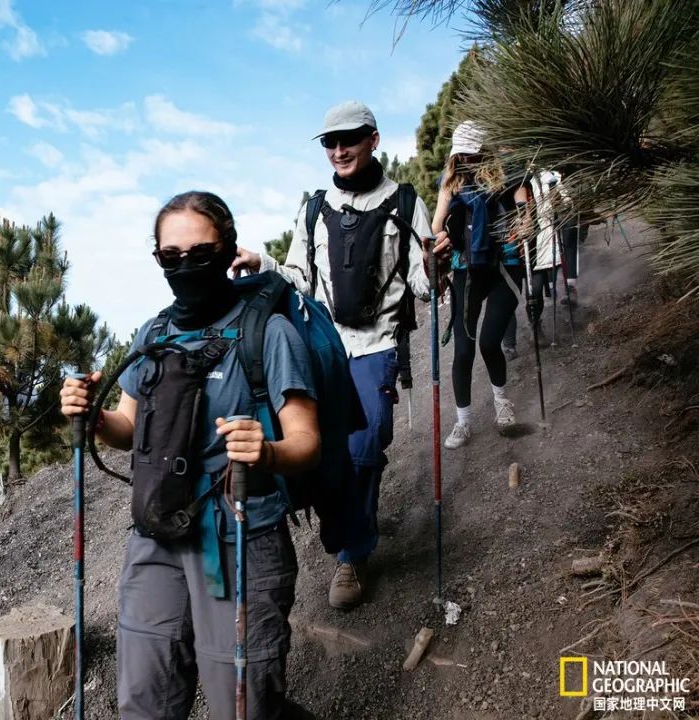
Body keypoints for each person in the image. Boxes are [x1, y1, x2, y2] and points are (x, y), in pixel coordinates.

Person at [60, 191, 321, 720]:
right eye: (170, 258)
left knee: (242, 703)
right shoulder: (154, 333)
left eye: (199, 254)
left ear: (227, 250)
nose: (185, 267)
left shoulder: (268, 333)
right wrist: (91, 416)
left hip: (239, 531)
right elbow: (129, 427)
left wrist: (267, 452)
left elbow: (306, 442)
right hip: (157, 530)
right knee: (144, 695)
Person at [232, 101, 448, 610]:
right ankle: (348, 526)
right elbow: (300, 278)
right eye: (330, 142)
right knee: (327, 452)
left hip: (378, 345)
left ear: (373, 138)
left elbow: (421, 284)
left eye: (349, 138)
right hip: (326, 347)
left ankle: (351, 553)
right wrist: (262, 262)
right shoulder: (314, 207)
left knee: (366, 445)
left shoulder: (405, 201)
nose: (338, 149)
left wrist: (434, 265)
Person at [433, 121, 530, 449]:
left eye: (472, 154)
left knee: (490, 342)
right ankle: (463, 423)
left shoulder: (507, 175)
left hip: (505, 265)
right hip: (466, 270)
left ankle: (502, 403)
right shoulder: (451, 182)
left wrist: (524, 223)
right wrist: (440, 240)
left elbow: (524, 209)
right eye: (462, 155)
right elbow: (436, 224)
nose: (467, 160)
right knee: (463, 348)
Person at [502, 169, 561, 355]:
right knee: (507, 296)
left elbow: (548, 209)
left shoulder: (533, 181)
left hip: (534, 245)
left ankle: (535, 324)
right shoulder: (494, 185)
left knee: (535, 291)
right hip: (507, 249)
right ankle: (509, 342)